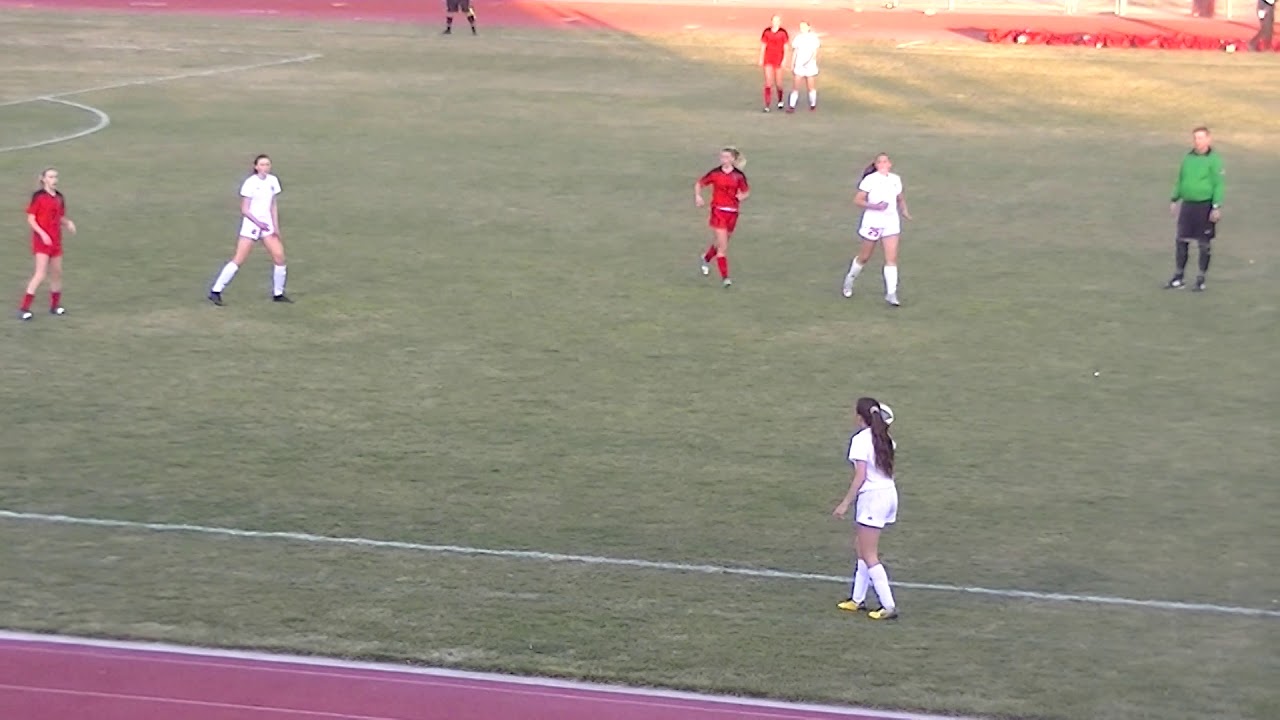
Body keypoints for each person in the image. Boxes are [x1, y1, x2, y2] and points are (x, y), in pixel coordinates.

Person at [833, 397, 899, 621]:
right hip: (888, 494)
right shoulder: (885, 439)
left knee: (869, 553)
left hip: (873, 498)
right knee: (861, 547)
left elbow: (861, 476)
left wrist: (845, 503)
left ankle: (888, 605)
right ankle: (857, 599)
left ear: (859, 417)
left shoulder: (861, 440)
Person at [208, 154, 290, 306]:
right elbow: (245, 209)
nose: (266, 167)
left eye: (268, 164)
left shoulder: (273, 181)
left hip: (267, 225)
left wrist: (275, 226)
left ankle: (278, 293)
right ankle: (216, 291)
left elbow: (273, 205)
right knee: (239, 259)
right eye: (263, 165)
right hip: (252, 224)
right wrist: (259, 223)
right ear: (256, 167)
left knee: (279, 256)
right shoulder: (250, 183)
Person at [843, 154, 910, 306]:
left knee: (891, 259)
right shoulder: (870, 180)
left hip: (891, 222)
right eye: (880, 162)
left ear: (890, 164)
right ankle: (850, 279)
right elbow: (858, 200)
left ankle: (891, 293)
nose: (883, 164)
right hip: (873, 221)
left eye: (885, 161)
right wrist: (875, 206)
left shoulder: (895, 179)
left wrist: (904, 211)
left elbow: (900, 198)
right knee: (864, 257)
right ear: (876, 165)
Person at [1165, 127, 1224, 293]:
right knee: (1181, 240)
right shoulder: (1188, 158)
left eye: (1200, 138)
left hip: (1204, 206)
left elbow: (1219, 184)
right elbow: (1181, 179)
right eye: (1195, 138)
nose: (1197, 141)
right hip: (1188, 205)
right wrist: (1174, 199)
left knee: (1203, 244)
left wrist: (1216, 206)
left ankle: (1200, 279)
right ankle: (1178, 277)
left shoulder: (1214, 160)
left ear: (1208, 140)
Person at [19, 168, 76, 321]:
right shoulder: (38, 197)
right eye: (51, 176)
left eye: (56, 176)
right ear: (43, 179)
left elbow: (59, 217)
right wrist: (43, 234)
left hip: (56, 240)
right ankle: (24, 308)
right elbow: (31, 219)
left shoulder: (59, 197)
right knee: (41, 273)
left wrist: (68, 223)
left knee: (57, 273)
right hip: (42, 241)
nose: (54, 179)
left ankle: (55, 306)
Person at [694, 147, 750, 288]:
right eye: (722, 157)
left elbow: (745, 191)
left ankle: (705, 258)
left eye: (726, 157)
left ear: (732, 159)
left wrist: (741, 197)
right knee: (723, 248)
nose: (723, 159)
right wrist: (698, 196)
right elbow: (699, 183)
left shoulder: (738, 176)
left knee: (720, 242)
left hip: (733, 213)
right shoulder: (715, 173)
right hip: (718, 211)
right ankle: (726, 278)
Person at [786, 21, 820, 113]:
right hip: (799, 65)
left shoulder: (813, 38)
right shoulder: (798, 38)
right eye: (801, 26)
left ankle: (813, 105)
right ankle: (791, 107)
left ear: (809, 27)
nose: (802, 28)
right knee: (795, 86)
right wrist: (792, 64)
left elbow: (815, 52)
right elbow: (795, 52)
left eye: (804, 26)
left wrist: (809, 62)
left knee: (810, 86)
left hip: (810, 65)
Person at [759, 15, 790, 112]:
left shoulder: (783, 33)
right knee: (768, 82)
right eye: (774, 20)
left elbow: (786, 47)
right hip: (768, 58)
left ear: (780, 22)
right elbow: (763, 45)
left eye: (777, 21)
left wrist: (785, 59)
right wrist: (761, 58)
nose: (775, 22)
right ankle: (767, 105)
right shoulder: (766, 31)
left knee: (779, 83)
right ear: (771, 21)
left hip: (778, 59)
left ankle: (780, 100)